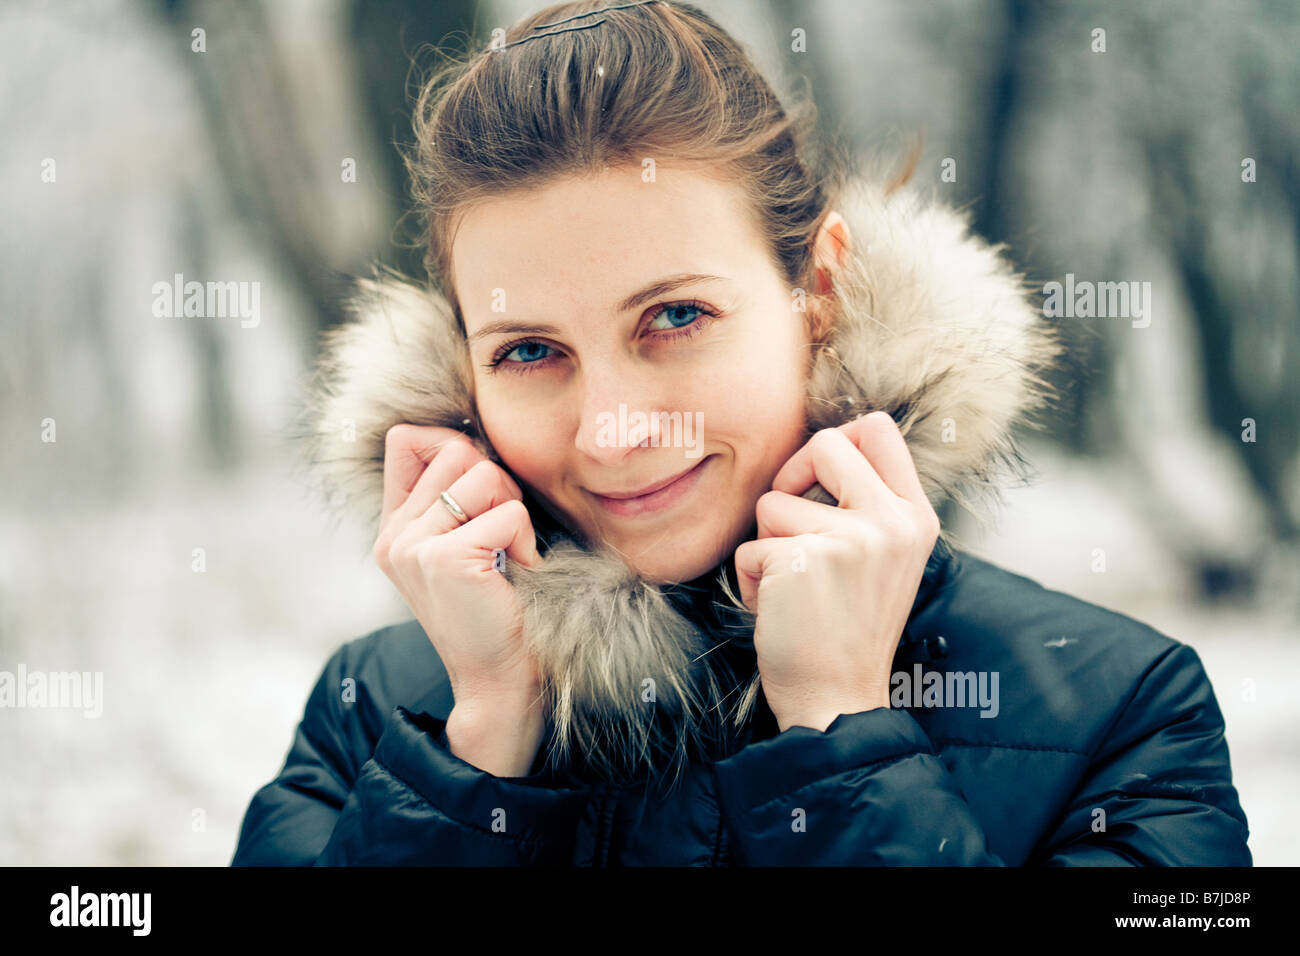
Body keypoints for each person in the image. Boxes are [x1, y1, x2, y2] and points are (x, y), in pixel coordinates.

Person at [231, 0, 1251, 866]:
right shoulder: (376, 721)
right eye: (529, 352)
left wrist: (840, 740)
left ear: (815, 287)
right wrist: (477, 750)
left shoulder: (1122, 717)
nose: (615, 431)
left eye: (674, 318)